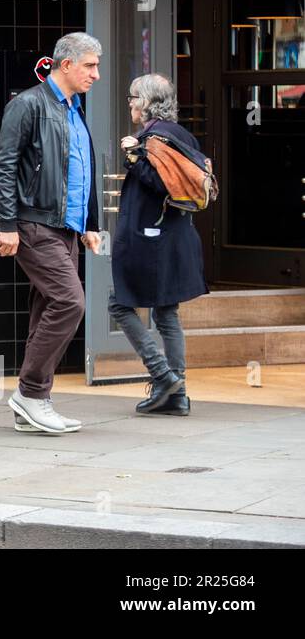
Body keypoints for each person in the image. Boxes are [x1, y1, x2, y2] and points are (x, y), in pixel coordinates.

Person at [0, 32, 103, 435]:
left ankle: (33, 403)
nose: (96, 74)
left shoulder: (74, 108)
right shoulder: (28, 105)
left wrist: (89, 224)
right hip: (33, 222)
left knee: (47, 308)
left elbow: (81, 168)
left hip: (66, 229)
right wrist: (8, 225)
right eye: (90, 66)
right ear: (66, 64)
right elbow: (4, 167)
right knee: (71, 302)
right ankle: (30, 394)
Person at [111, 73, 206, 416]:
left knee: (119, 303)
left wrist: (134, 156)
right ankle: (177, 395)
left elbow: (164, 186)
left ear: (148, 102)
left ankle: (164, 376)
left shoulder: (153, 139)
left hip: (152, 238)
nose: (130, 103)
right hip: (176, 236)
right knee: (167, 312)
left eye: (134, 97)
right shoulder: (183, 136)